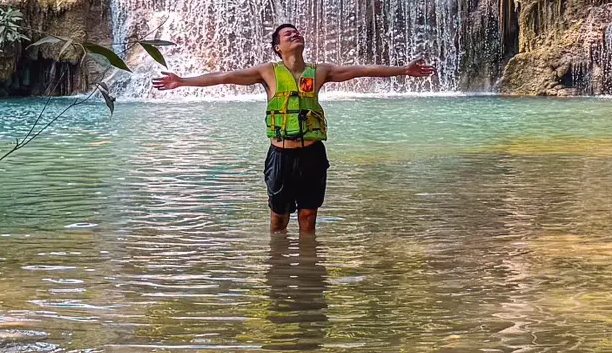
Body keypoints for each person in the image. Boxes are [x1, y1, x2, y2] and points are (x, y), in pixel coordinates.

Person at [151, 22, 434, 233]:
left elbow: (361, 70)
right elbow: (224, 77)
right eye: (288, 34)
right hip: (281, 156)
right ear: (278, 47)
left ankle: (308, 267)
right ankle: (279, 267)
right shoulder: (267, 72)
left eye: (297, 32)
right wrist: (183, 80)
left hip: (312, 154)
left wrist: (403, 70)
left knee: (309, 216)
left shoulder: (320, 71)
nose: (295, 34)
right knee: (278, 218)